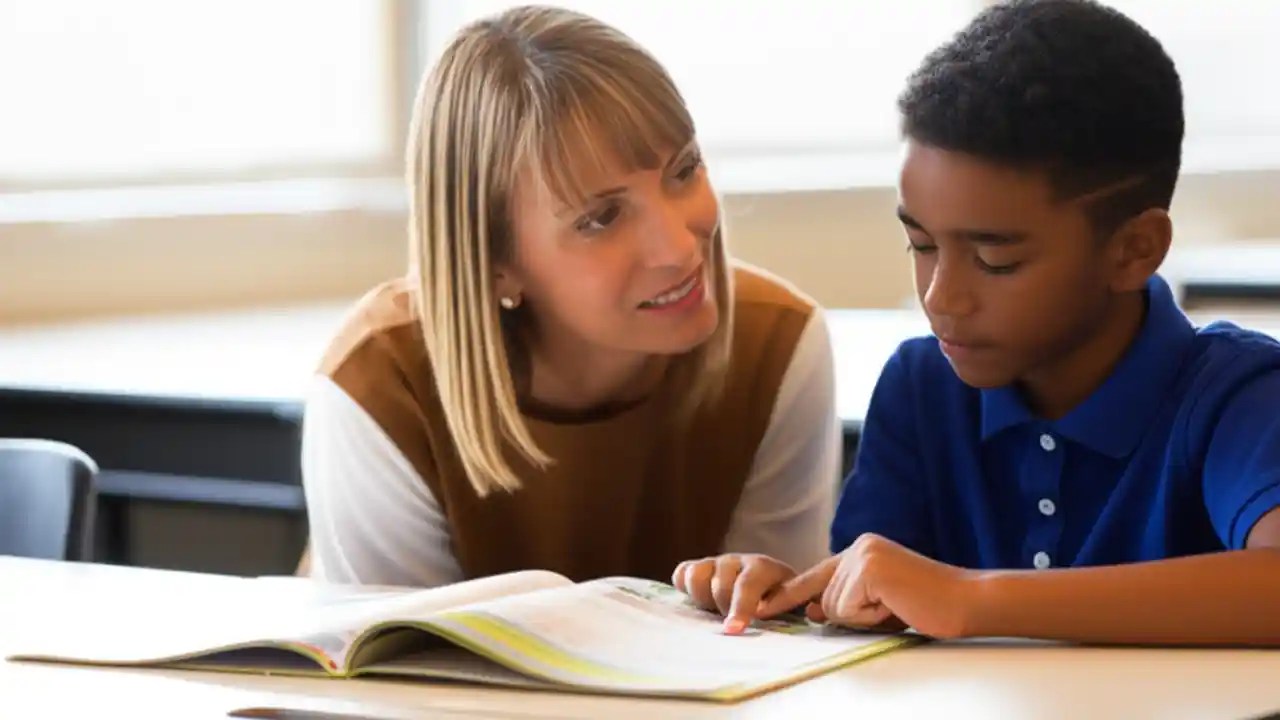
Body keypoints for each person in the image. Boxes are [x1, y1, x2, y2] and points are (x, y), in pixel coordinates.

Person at [674, 0, 1280, 645]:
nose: (941, 297)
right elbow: (875, 607)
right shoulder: (921, 387)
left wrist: (973, 597)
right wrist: (799, 595)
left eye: (995, 260)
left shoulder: (1236, 394)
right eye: (922, 245)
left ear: (1133, 249)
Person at [299, 5, 837, 588]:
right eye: (601, 218)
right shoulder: (379, 383)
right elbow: (402, 663)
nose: (679, 248)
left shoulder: (778, 344)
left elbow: (777, 638)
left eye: (684, 171)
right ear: (494, 264)